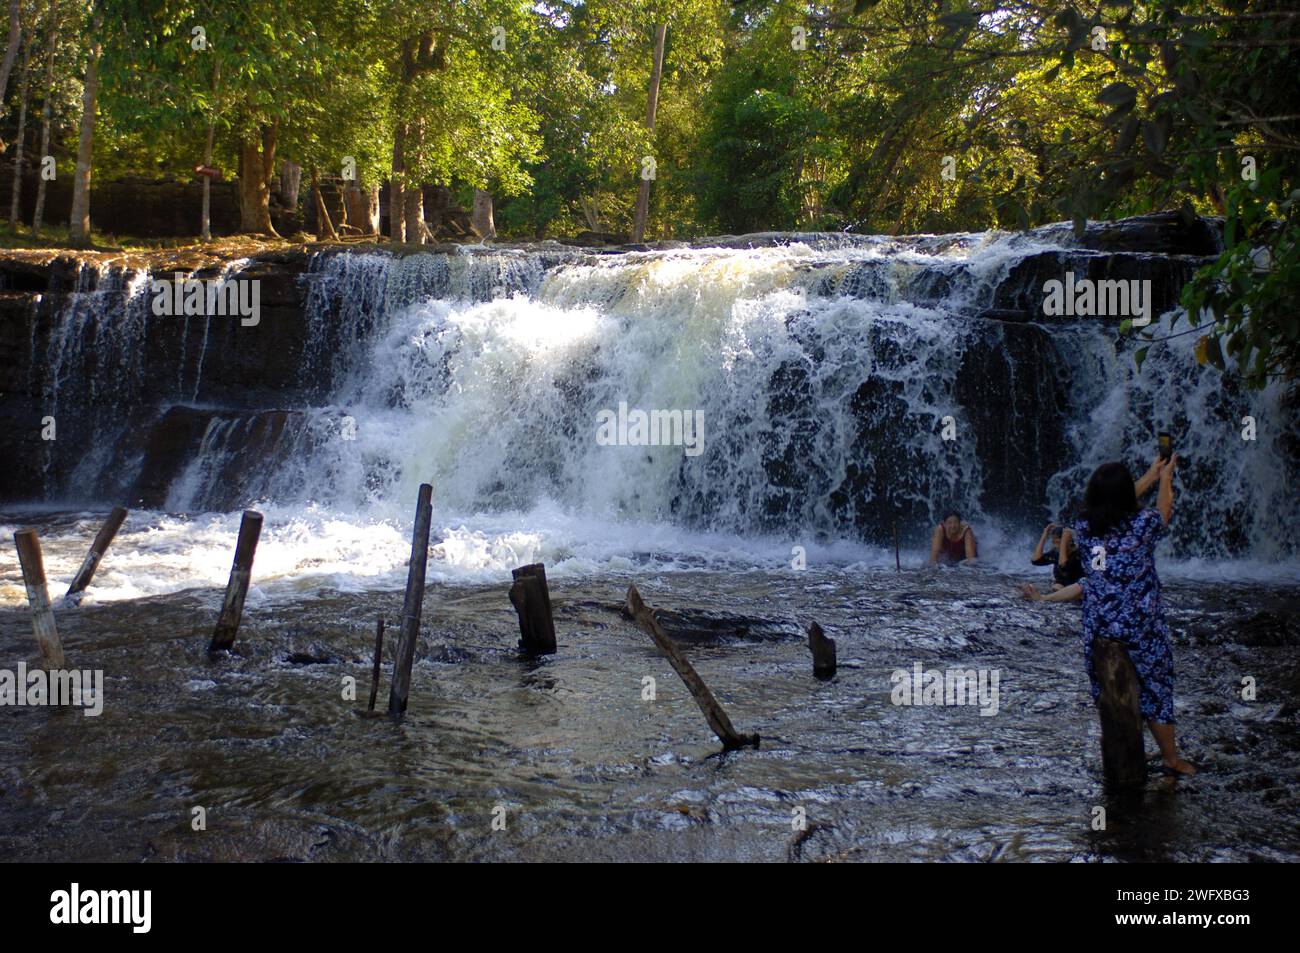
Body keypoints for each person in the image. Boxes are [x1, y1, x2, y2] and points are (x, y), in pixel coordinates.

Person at [1023, 455, 1195, 776]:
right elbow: (1163, 510)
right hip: (1141, 627)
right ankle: (1171, 759)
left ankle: (1121, 762)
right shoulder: (1143, 526)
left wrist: (1149, 475)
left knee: (1111, 693)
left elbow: (1113, 504)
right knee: (1156, 688)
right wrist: (1165, 478)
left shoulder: (1084, 529)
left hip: (1099, 627)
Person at [1030, 520, 1084, 589]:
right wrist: (1044, 536)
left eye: (1058, 542)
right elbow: (1035, 560)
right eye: (1053, 542)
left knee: (1057, 587)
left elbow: (1063, 566)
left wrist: (1064, 540)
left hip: (1075, 588)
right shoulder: (1056, 552)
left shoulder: (1078, 554)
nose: (1055, 546)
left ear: (1068, 541)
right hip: (1060, 587)